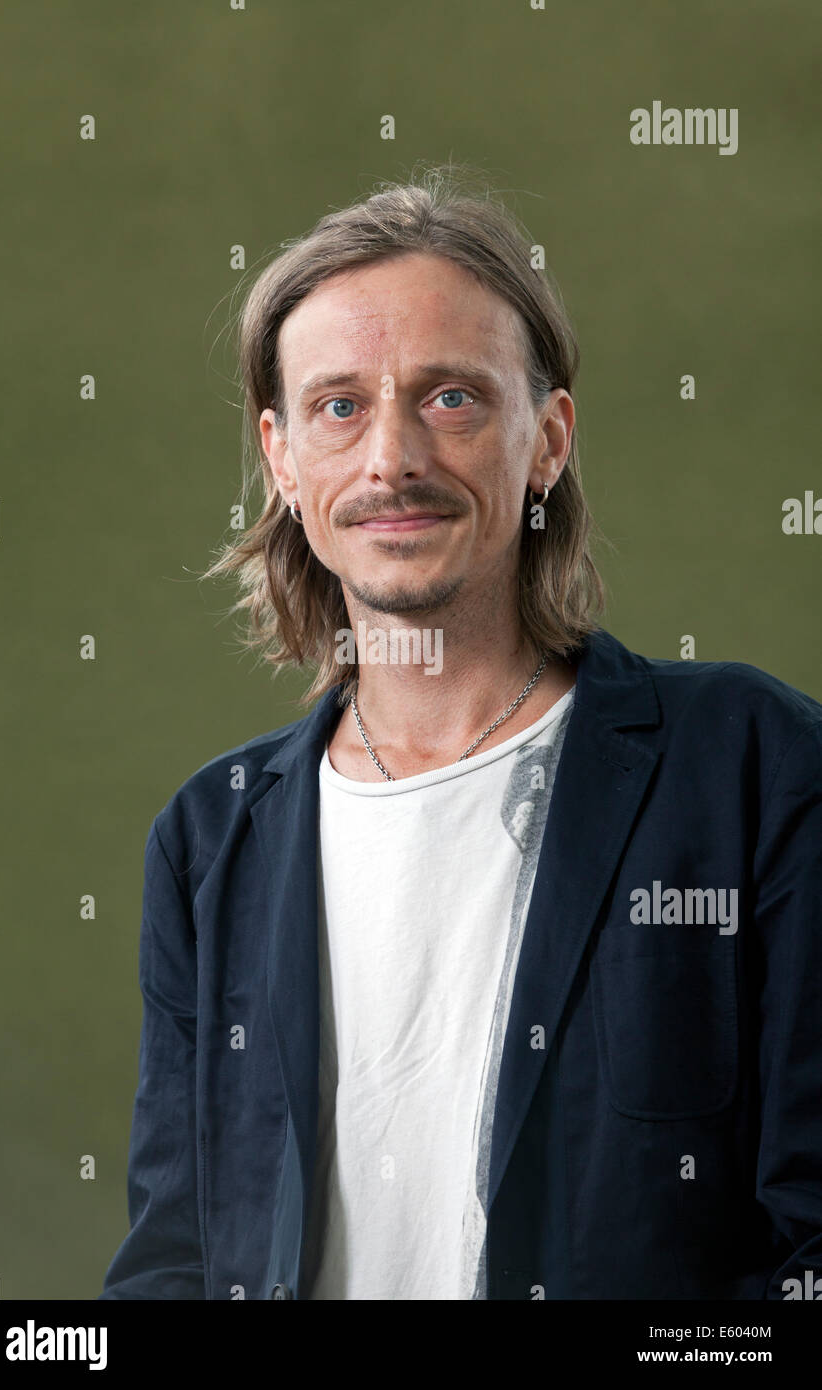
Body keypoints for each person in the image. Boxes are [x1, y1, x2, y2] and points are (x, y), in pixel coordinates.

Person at [99, 167, 822, 1301]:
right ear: (282, 459)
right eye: (339, 407)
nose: (391, 459)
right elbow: (172, 1265)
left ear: (547, 440)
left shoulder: (749, 767)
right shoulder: (208, 842)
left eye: (449, 398)